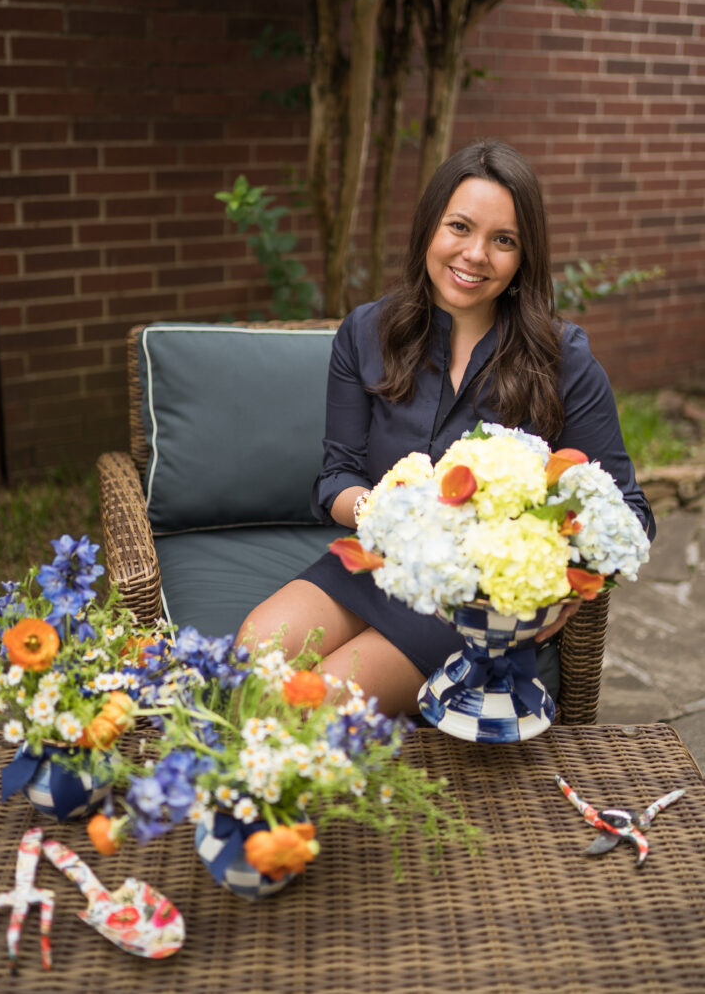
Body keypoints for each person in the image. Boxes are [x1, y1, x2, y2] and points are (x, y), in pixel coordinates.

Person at [236, 140, 655, 715]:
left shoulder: (564, 359)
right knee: (250, 661)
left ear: (523, 256)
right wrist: (387, 511)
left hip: (479, 604)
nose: (475, 254)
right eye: (459, 226)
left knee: (313, 703)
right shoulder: (366, 333)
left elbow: (630, 512)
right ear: (429, 228)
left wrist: (569, 581)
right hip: (379, 562)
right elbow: (336, 477)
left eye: (503, 240)